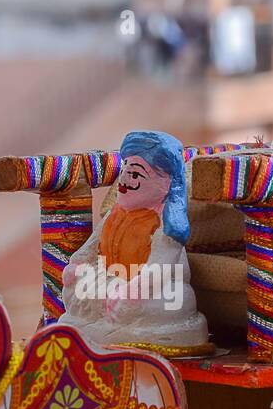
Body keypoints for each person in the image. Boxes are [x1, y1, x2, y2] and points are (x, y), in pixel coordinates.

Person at [59, 130, 210, 352]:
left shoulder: (167, 225)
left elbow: (160, 269)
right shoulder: (116, 213)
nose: (125, 179)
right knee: (74, 289)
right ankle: (100, 321)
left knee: (168, 301)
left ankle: (116, 324)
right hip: (112, 278)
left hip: (153, 289)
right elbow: (91, 246)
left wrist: (133, 291)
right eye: (125, 169)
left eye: (136, 174)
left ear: (166, 183)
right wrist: (77, 264)